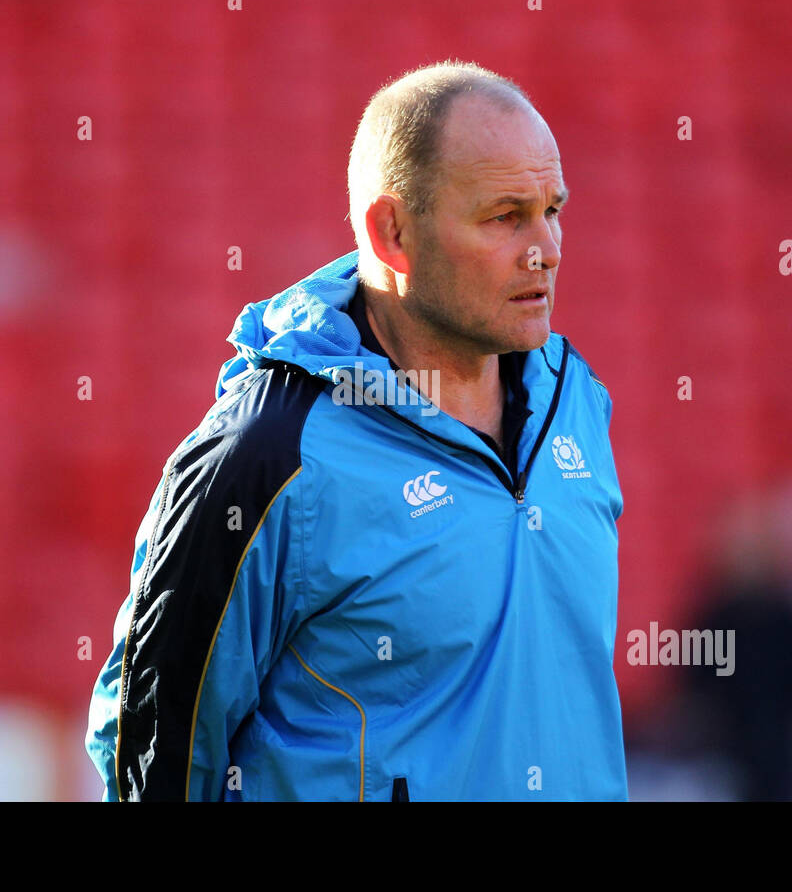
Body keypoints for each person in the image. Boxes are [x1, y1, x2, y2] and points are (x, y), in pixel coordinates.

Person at [86, 60, 626, 801]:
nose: (548, 249)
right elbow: (152, 749)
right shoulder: (265, 455)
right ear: (392, 231)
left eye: (552, 210)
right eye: (505, 216)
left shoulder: (578, 404)